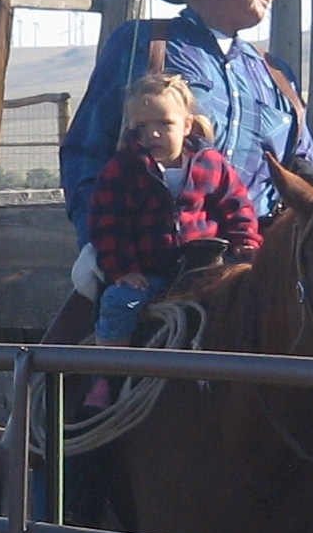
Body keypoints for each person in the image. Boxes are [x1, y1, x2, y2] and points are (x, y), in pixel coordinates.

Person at [60, 0, 313, 304]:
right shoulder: (145, 45)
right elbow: (88, 151)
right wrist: (95, 242)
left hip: (257, 274)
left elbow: (302, 173)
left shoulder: (277, 75)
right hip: (152, 270)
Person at [82, 72, 262, 408]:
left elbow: (237, 206)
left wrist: (245, 241)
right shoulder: (123, 168)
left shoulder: (213, 165)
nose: (152, 134)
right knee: (120, 304)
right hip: (149, 270)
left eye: (164, 124)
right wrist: (123, 270)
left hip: (203, 268)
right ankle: (107, 376)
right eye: (141, 127)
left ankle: (246, 380)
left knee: (242, 303)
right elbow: (108, 225)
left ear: (187, 125)